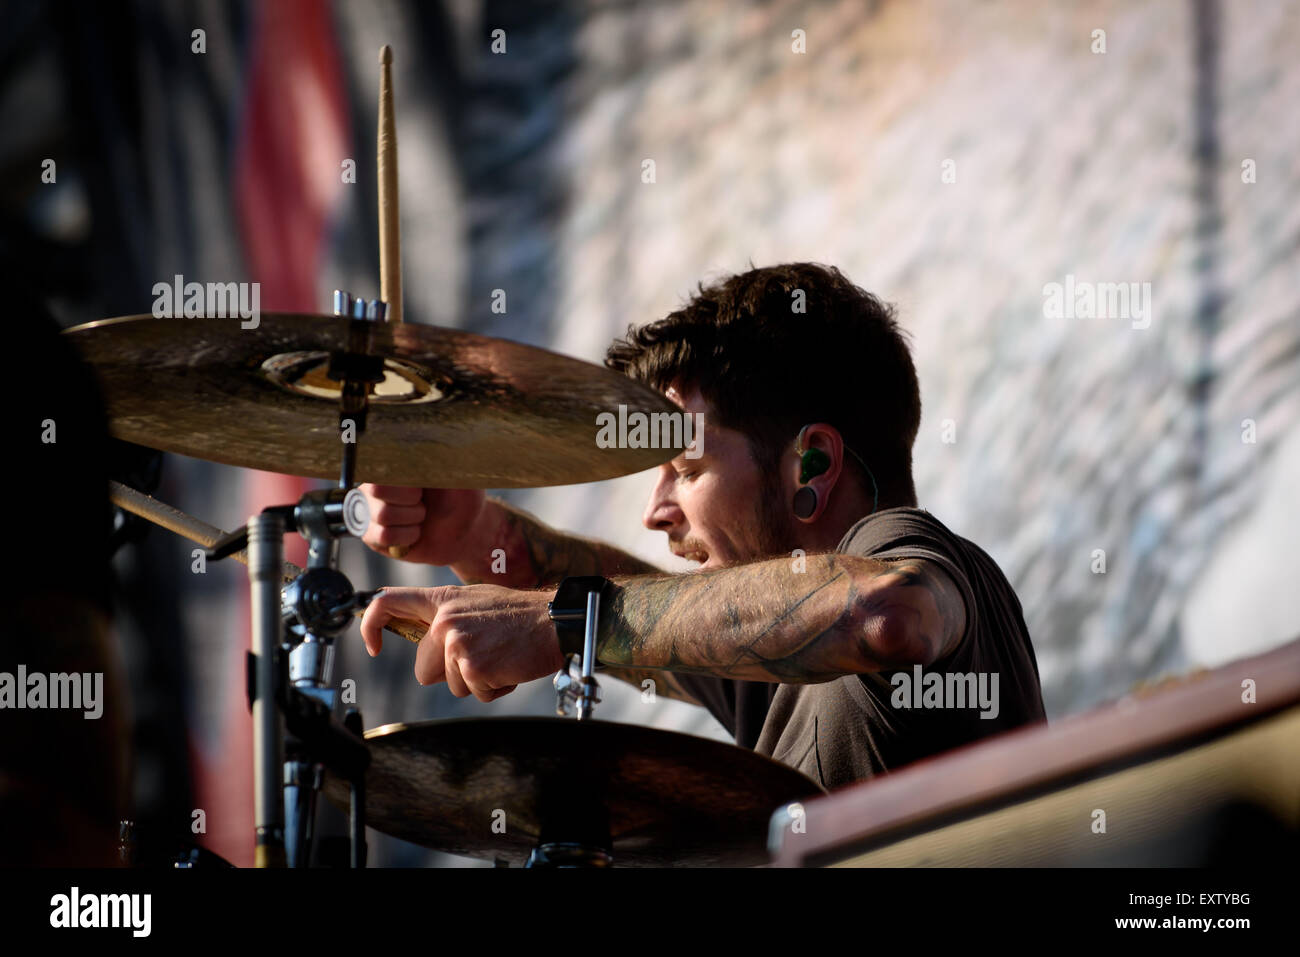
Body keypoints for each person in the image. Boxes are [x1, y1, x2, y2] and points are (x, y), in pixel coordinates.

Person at [358, 263, 1046, 790]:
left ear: (811, 466)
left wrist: (564, 622)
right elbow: (679, 613)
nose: (655, 510)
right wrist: (474, 532)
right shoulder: (780, 664)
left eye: (685, 469)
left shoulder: (896, 547)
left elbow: (890, 613)